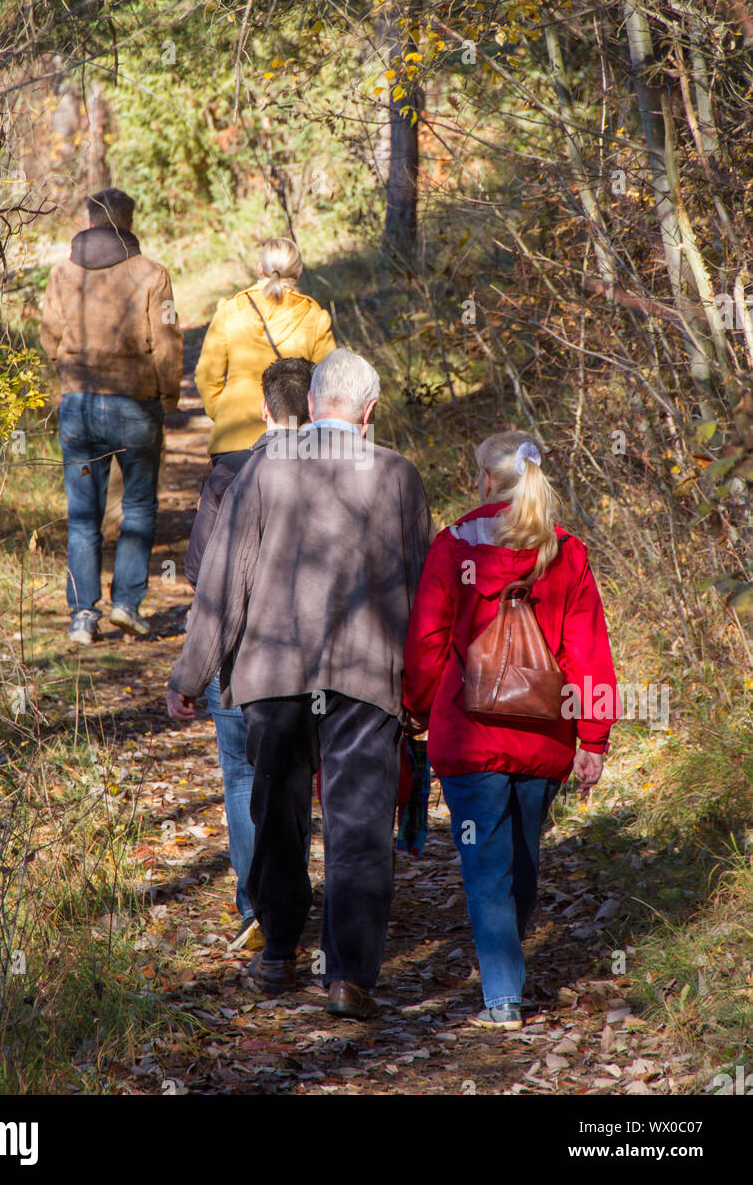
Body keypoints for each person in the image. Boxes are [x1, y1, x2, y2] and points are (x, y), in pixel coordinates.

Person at [167, 349, 432, 1020]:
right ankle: (348, 977)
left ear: (313, 404)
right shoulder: (398, 475)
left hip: (273, 675)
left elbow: (225, 582)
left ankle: (278, 953)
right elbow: (423, 597)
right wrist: (421, 693)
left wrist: (191, 674)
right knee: (360, 825)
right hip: (366, 678)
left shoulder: (261, 470)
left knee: (278, 815)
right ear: (369, 413)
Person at [402, 430, 617, 1030]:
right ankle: (507, 975)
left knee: (485, 866)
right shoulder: (566, 551)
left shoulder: (454, 545)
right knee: (524, 861)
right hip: (544, 739)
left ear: (483, 480)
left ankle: (502, 993)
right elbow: (589, 653)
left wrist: (416, 705)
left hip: (469, 738)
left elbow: (426, 640)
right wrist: (593, 738)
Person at [183, 357, 315, 952]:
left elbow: (200, 572)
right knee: (305, 780)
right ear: (315, 407)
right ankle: (300, 901)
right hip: (313, 661)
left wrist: (191, 671)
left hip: (239, 655)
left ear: (264, 409)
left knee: (242, 775)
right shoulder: (344, 475)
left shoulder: (230, 475)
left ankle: (255, 903)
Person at [41, 189, 183, 644]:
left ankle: (83, 615)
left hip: (79, 404)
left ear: (88, 221)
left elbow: (49, 338)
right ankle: (126, 603)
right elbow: (167, 339)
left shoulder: (62, 273)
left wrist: (68, 370)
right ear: (129, 221)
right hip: (135, 404)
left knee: (84, 515)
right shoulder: (153, 274)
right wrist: (170, 394)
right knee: (138, 505)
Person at [194, 236, 336, 467]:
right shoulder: (314, 316)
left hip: (232, 436)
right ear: (298, 273)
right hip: (293, 439)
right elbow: (328, 381)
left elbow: (207, 375)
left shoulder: (231, 310)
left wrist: (222, 412)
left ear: (260, 268)